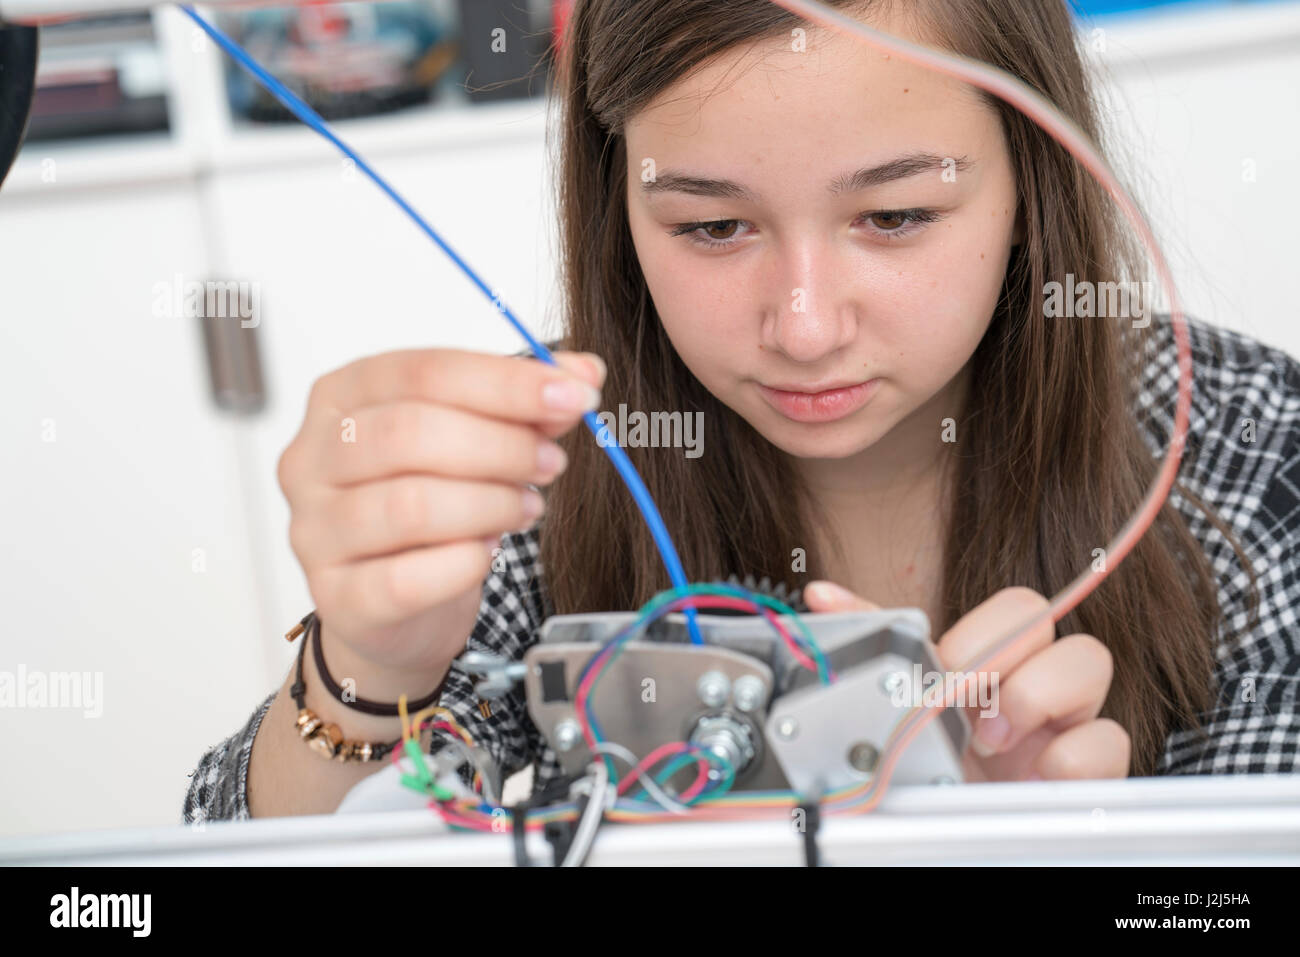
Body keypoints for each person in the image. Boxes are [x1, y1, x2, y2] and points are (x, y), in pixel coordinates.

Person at [184, 0, 1299, 825]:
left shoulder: (1250, 452)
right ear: (618, 205)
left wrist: (1015, 853)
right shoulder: (535, 480)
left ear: (1034, 182)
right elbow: (242, 848)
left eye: (897, 215)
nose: (804, 326)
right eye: (712, 228)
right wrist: (368, 668)